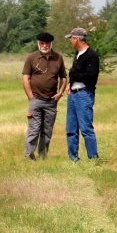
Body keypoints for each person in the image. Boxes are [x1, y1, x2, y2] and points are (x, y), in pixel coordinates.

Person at [21, 32, 67, 160]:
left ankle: (43, 156)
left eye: (47, 43)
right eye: (42, 43)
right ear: (38, 43)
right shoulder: (31, 58)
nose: (45, 45)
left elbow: (63, 77)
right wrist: (31, 97)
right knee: (33, 130)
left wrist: (60, 93)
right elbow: (25, 78)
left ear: (51, 44)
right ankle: (29, 157)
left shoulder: (58, 58)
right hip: (35, 99)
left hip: (51, 101)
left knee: (47, 131)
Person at [64, 27, 100, 162]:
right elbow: (75, 72)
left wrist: (74, 75)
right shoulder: (78, 54)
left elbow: (91, 77)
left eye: (71, 39)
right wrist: (70, 83)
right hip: (73, 94)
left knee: (86, 128)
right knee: (71, 128)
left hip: (84, 95)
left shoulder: (92, 55)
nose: (70, 42)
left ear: (77, 39)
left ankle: (93, 158)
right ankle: (73, 157)